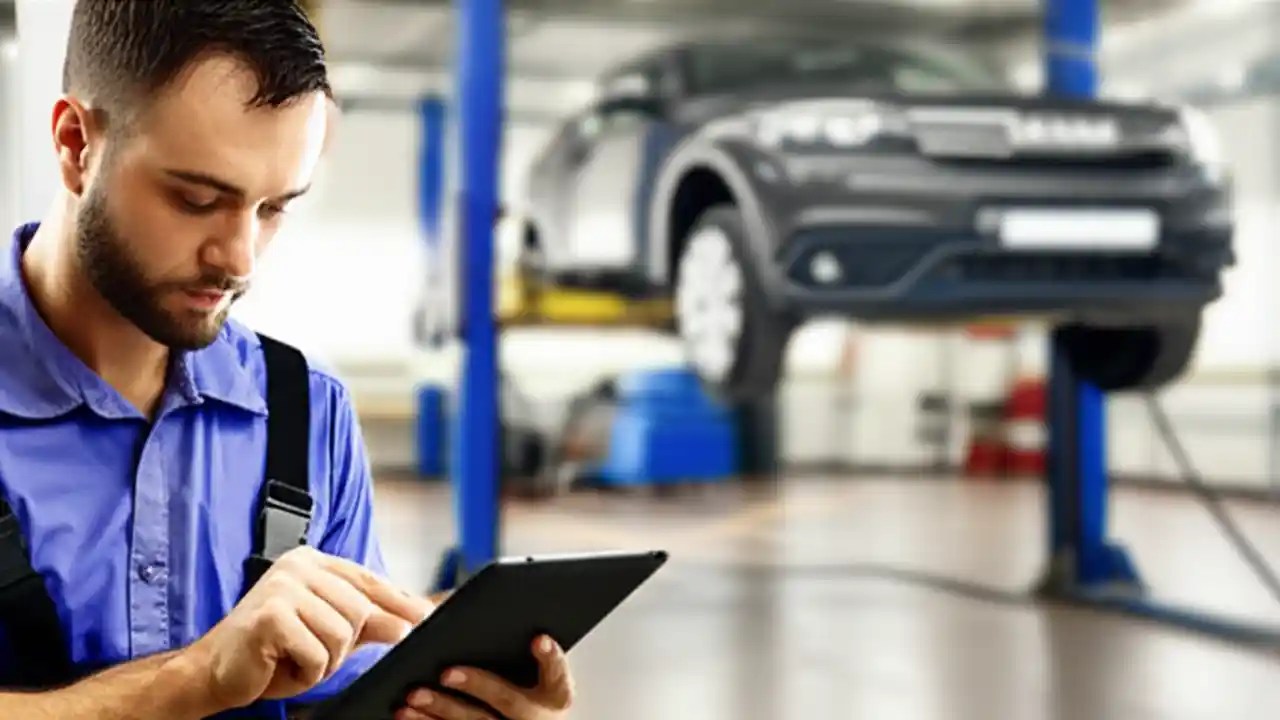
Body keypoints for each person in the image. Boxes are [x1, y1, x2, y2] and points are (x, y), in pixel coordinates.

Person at [0, 2, 575, 719]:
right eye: (197, 199)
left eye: (274, 208)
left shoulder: (308, 413)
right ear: (75, 144)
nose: (240, 259)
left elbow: (336, 698)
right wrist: (198, 677)